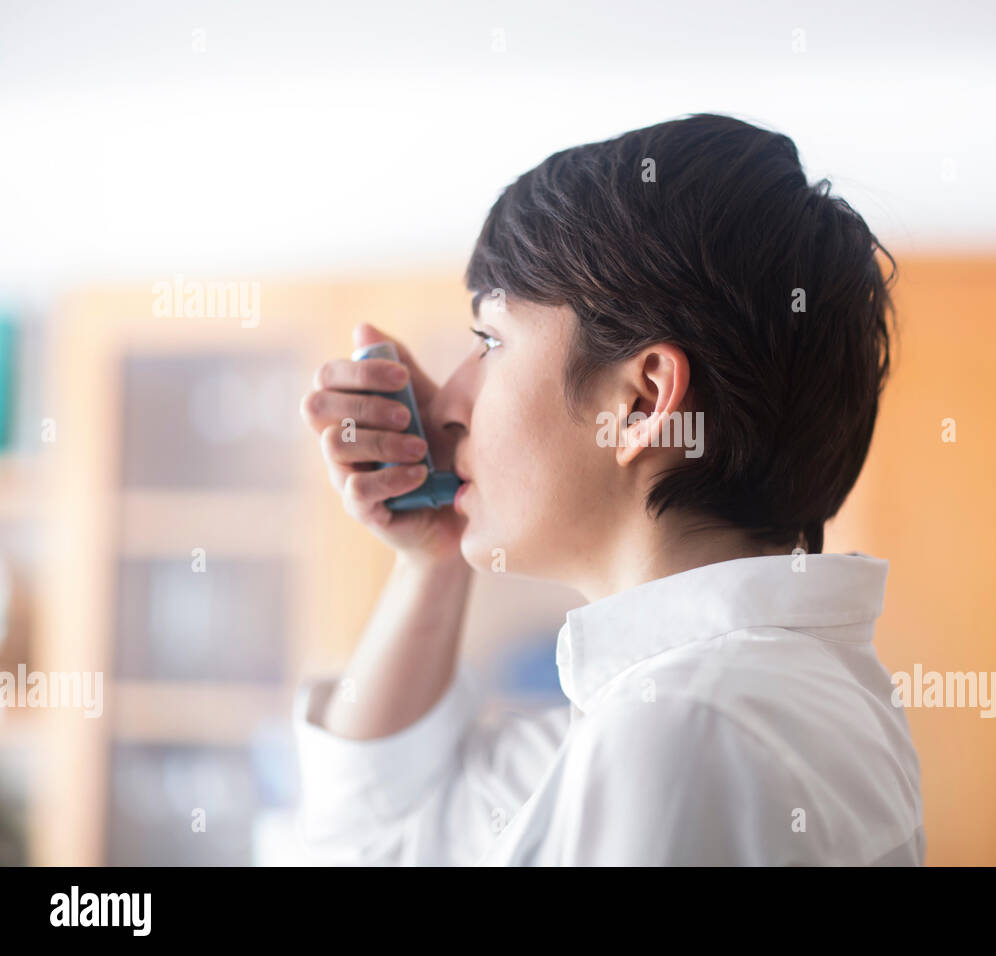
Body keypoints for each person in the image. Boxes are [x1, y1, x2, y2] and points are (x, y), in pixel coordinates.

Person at [294, 112, 924, 865]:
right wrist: (433, 558)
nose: (448, 407)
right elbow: (381, 831)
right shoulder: (711, 705)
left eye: (490, 340)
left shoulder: (684, 730)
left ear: (641, 403)